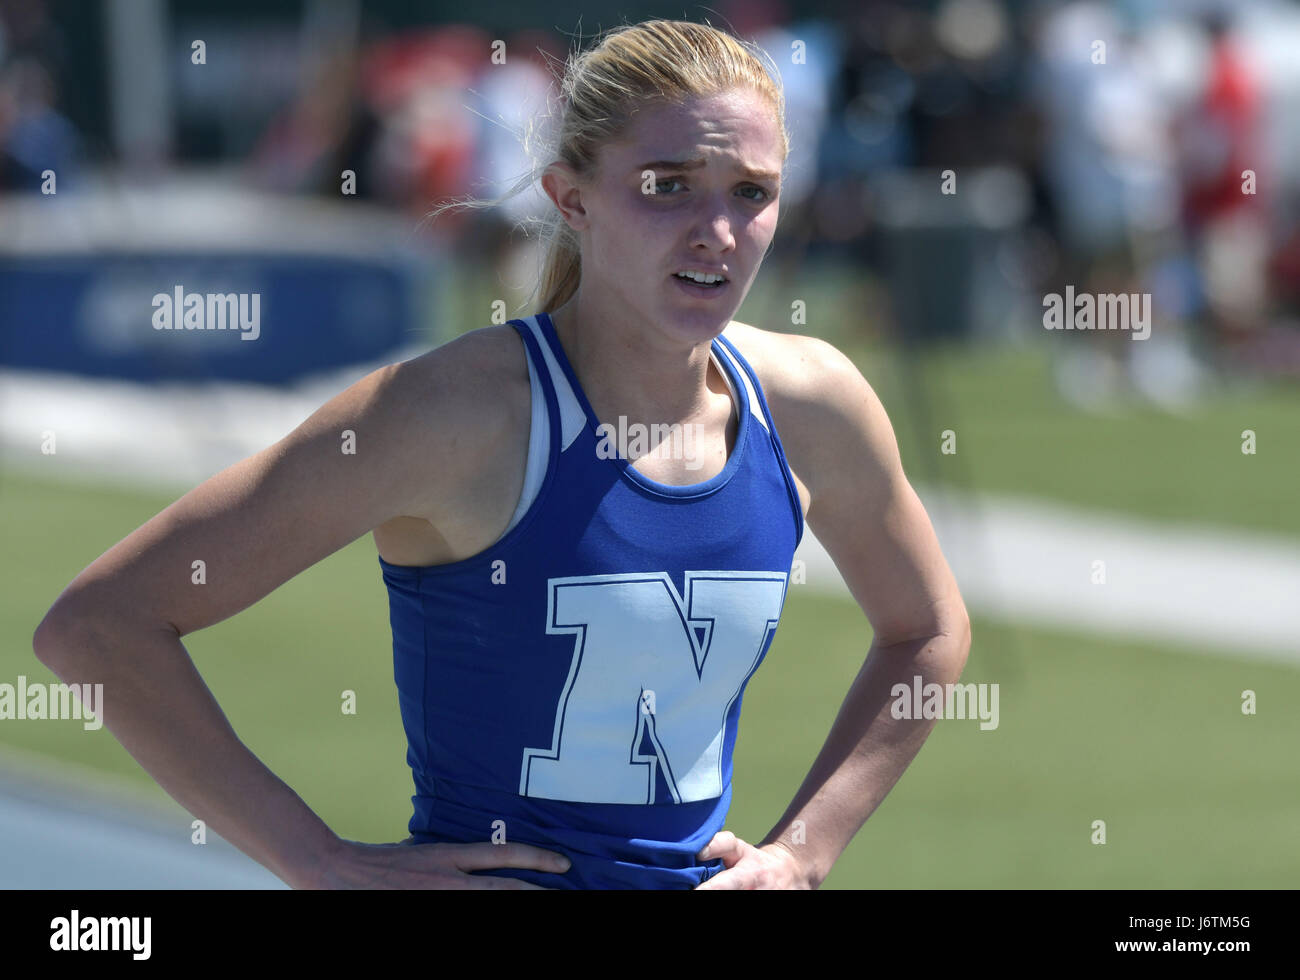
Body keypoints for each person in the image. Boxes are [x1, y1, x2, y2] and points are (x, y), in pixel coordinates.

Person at [32, 19, 970, 890]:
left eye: (751, 194)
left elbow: (926, 630)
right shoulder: (452, 412)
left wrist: (805, 853)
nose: (716, 232)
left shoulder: (811, 403)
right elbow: (100, 627)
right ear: (572, 196)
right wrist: (318, 860)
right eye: (666, 184)